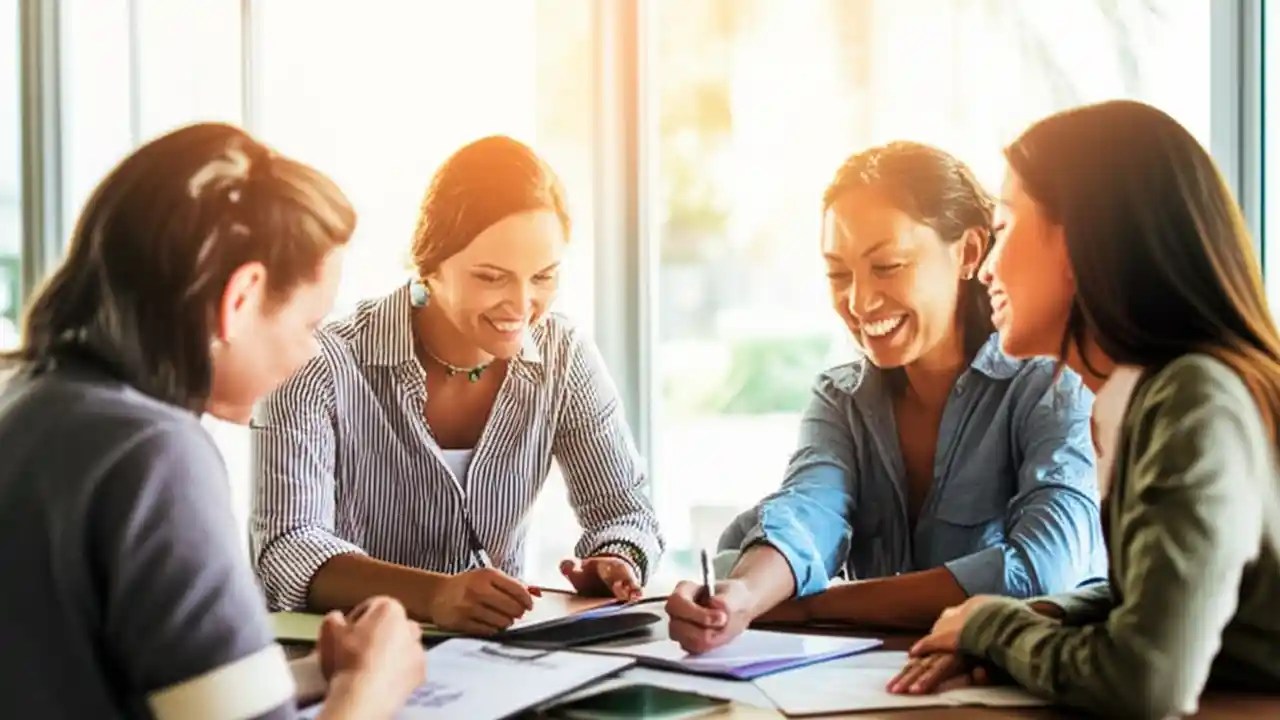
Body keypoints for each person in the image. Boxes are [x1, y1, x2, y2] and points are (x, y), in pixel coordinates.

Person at [0, 123, 424, 718]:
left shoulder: (28, 403)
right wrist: (372, 686)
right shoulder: (153, 454)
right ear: (241, 298)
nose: (310, 353)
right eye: (308, 324)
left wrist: (311, 675)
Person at [890, 100, 1280, 719]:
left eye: (1006, 227)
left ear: (1078, 241)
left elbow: (1146, 681)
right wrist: (1035, 615)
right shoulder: (1143, 400)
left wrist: (995, 628)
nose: (987, 268)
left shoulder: (1193, 401)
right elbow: (1154, 597)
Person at [666, 141, 1106, 653]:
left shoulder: (1052, 385)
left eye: (888, 265)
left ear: (967, 253)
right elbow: (808, 511)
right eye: (838, 273)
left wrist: (816, 605)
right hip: (885, 688)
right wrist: (741, 596)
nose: (858, 301)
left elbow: (1043, 570)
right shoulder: (842, 399)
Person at [252, 135, 664, 635]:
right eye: (492, 277)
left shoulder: (564, 355)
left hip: (497, 666)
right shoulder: (319, 364)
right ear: (430, 264)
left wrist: (615, 558)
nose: (521, 305)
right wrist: (434, 595)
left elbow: (627, 510)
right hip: (348, 669)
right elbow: (287, 549)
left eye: (543, 276)